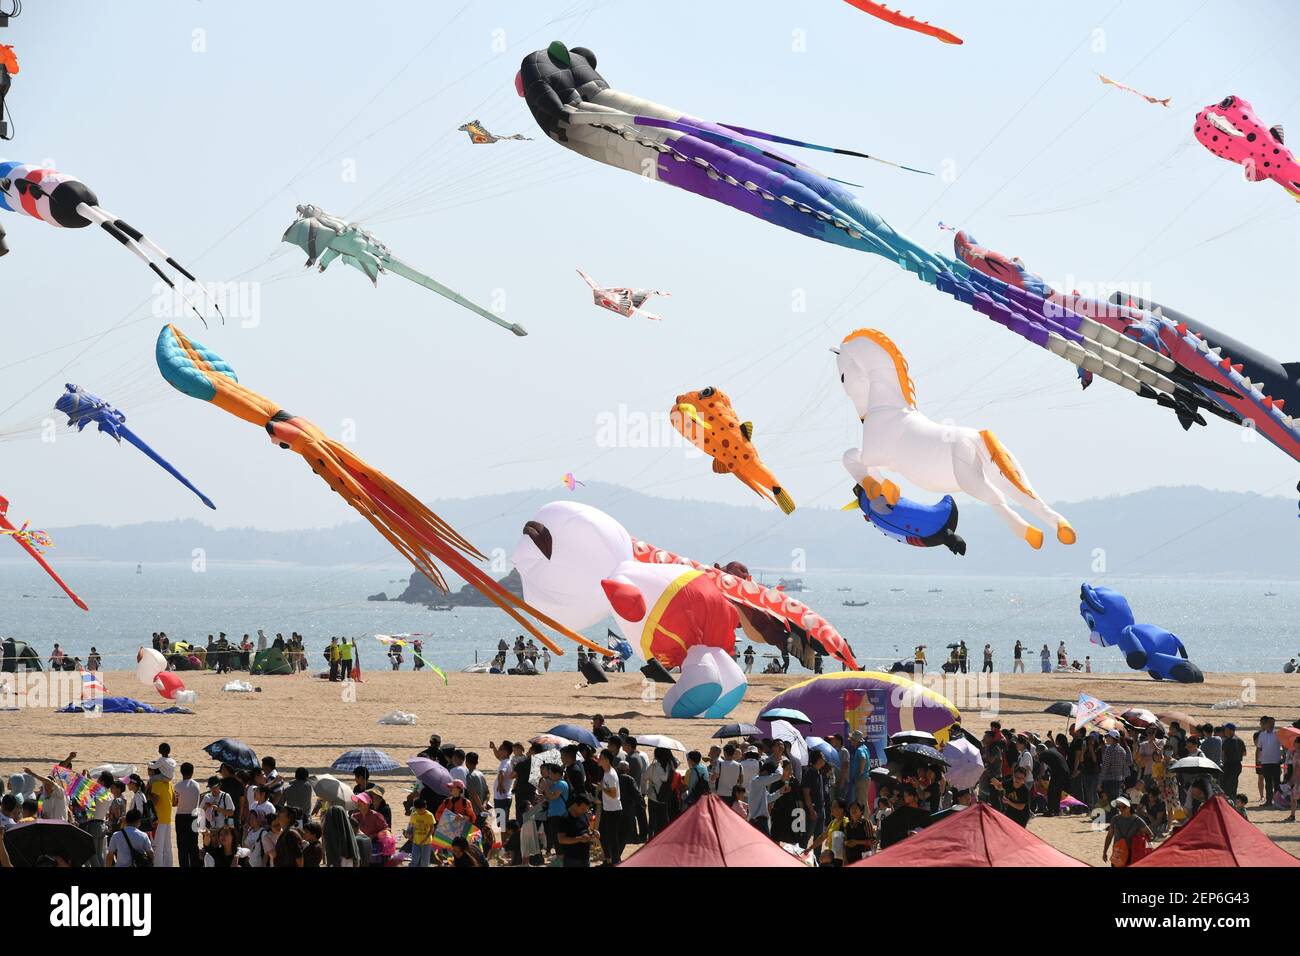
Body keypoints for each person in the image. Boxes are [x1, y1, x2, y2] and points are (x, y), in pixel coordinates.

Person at [1103, 797, 1152, 867]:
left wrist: (1147, 850)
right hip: (1117, 853)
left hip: (1132, 854)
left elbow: (1149, 835)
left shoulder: (1138, 820)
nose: (1121, 809)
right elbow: (1109, 836)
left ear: (1129, 807)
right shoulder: (1115, 819)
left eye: (1123, 807)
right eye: (1118, 807)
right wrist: (1105, 852)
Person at [597, 750, 624, 865]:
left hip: (613, 810)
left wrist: (601, 788)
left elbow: (613, 794)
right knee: (604, 835)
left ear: (607, 760)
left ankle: (615, 860)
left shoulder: (611, 775)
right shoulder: (607, 772)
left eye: (601, 758)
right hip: (608, 808)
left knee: (612, 837)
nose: (599, 760)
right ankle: (608, 859)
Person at [174, 762, 202, 867]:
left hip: (181, 816)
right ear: (192, 772)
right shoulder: (196, 785)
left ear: (181, 772)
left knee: (182, 846)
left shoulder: (177, 786)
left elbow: (175, 803)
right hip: (194, 816)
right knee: (193, 845)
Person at [556, 793, 595, 867]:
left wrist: (593, 833)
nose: (584, 811)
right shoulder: (565, 818)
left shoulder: (583, 815)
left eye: (586, 809)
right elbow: (561, 839)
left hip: (585, 858)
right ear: (575, 805)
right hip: (572, 859)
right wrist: (580, 839)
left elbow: (587, 829)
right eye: (582, 809)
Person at [1256, 716, 1282, 806]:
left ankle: (1277, 801)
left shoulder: (1278, 733)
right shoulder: (1262, 734)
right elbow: (1259, 748)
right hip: (1265, 761)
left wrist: (1284, 757)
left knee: (1277, 783)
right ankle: (1269, 801)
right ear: (1266, 724)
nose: (1272, 724)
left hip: (1276, 761)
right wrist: (1257, 760)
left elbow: (1283, 746)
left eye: (1273, 723)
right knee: (1268, 783)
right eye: (1270, 723)